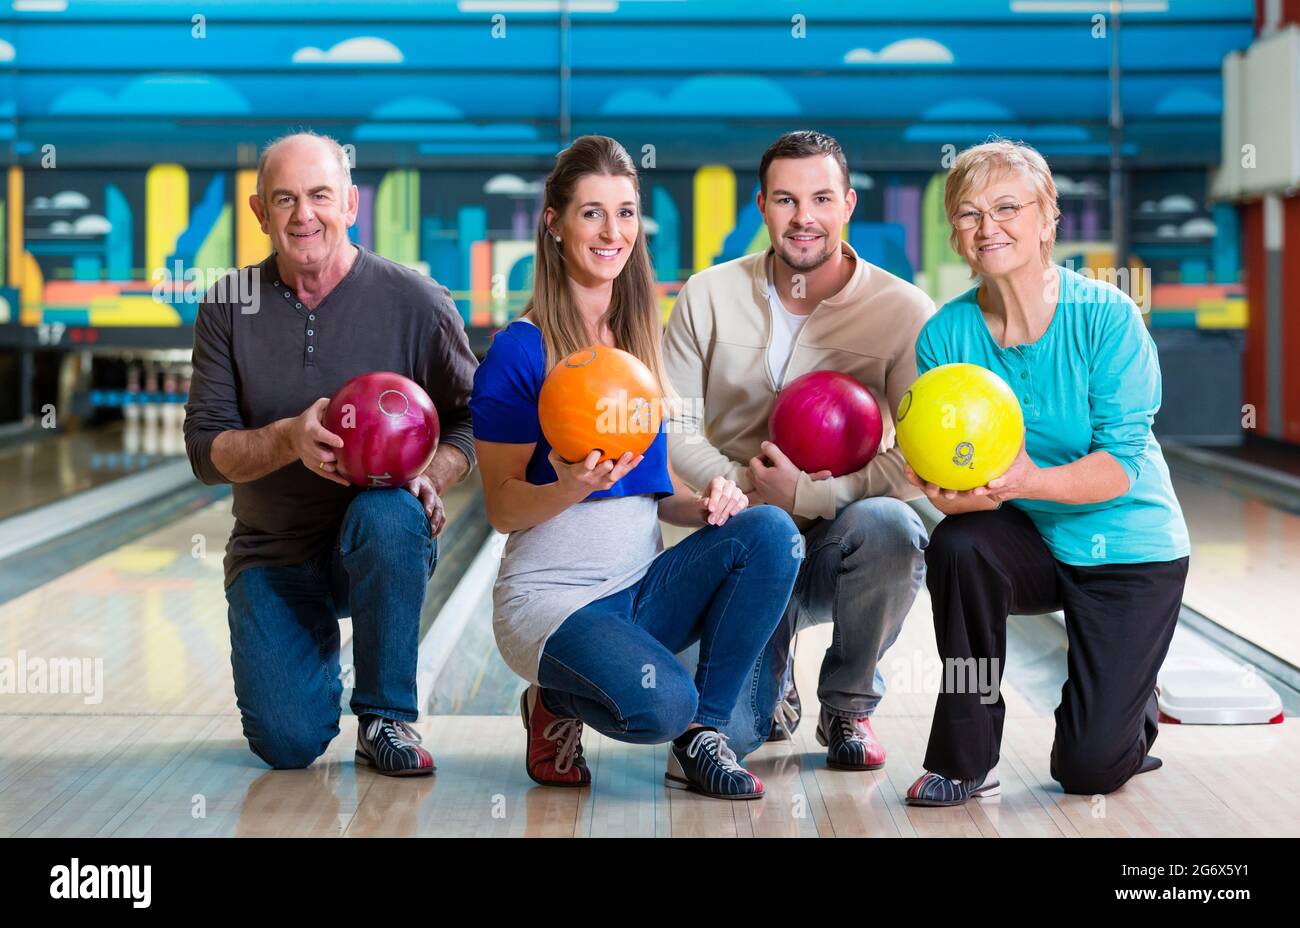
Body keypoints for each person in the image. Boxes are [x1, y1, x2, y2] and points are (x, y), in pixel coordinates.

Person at [471, 135, 800, 800]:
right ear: (554, 222)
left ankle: (705, 737)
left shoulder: (641, 348)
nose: (611, 231)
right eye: (591, 212)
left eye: (625, 212)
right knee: (659, 707)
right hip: (553, 603)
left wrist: (706, 501)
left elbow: (656, 494)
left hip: (640, 588)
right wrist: (567, 487)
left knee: (771, 533)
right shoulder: (520, 352)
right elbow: (503, 508)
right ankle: (552, 703)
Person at [903, 139, 1191, 806]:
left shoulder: (1107, 317)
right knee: (958, 546)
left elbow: (1121, 466)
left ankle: (1126, 709)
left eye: (1007, 207)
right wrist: (943, 491)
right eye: (969, 214)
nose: (987, 226)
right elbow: (964, 493)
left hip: (1128, 547)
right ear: (955, 236)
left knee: (1088, 769)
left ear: (1047, 218)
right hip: (1031, 542)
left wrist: (1023, 481)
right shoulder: (946, 337)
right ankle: (963, 758)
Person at [183, 131, 478, 776]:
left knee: (390, 515)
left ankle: (385, 719)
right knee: (287, 745)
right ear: (260, 212)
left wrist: (432, 473)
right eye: (283, 199)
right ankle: (310, 660)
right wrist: (290, 437)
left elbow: (470, 419)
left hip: (376, 540)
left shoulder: (416, 301)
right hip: (273, 552)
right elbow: (206, 453)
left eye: (319, 195)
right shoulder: (227, 306)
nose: (302, 214)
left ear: (350, 204)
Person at [663, 130, 933, 768]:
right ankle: (771, 679)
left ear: (847, 205)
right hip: (733, 538)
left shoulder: (902, 311)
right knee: (733, 737)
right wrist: (746, 490)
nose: (803, 218)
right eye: (785, 200)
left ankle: (848, 706)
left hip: (835, 542)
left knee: (894, 526)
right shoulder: (707, 295)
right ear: (762, 206)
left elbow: (918, 457)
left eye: (820, 199)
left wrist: (816, 494)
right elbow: (674, 422)